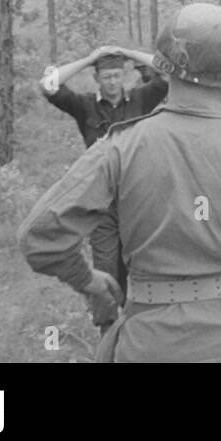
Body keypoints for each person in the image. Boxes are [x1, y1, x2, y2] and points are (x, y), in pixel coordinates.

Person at [18, 3, 221, 363]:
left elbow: (39, 236)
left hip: (148, 345)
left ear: (160, 66)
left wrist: (89, 281)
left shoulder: (119, 148)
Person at [39, 45, 168, 334]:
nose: (112, 82)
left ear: (124, 76)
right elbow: (47, 85)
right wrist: (88, 59)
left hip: (138, 197)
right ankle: (107, 330)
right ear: (96, 78)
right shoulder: (84, 105)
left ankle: (143, 325)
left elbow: (169, 72)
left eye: (116, 76)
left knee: (142, 261)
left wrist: (127, 52)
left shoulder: (142, 97)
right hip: (102, 201)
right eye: (105, 76)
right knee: (105, 264)